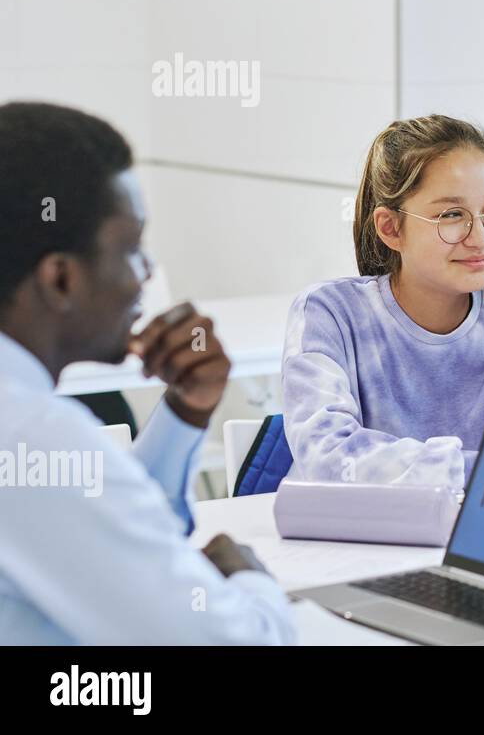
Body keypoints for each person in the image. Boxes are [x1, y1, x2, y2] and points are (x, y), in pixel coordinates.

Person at [0, 100, 294, 644]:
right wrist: (249, 581)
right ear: (61, 278)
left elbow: (122, 535)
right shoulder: (33, 435)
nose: (148, 273)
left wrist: (186, 411)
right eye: (132, 248)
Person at [282, 115, 484, 485]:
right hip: (367, 543)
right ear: (391, 228)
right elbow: (328, 457)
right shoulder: (331, 314)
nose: (481, 238)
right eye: (452, 215)